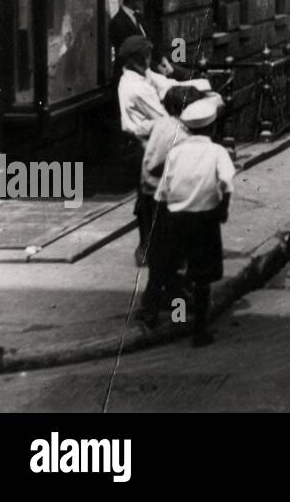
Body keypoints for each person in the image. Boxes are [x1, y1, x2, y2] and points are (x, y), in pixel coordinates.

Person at [151, 93, 235, 346]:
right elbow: (227, 183)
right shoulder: (217, 151)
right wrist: (223, 209)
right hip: (205, 220)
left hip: (176, 217)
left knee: (169, 266)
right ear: (211, 127)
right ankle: (199, 330)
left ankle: (166, 318)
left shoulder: (176, 153)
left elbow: (162, 191)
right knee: (202, 276)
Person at [117, 36, 189, 267]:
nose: (150, 60)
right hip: (141, 145)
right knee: (149, 198)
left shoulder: (140, 75)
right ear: (136, 60)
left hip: (148, 141)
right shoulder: (135, 87)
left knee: (149, 196)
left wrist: (182, 85)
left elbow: (163, 83)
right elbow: (162, 116)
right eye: (146, 57)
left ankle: (151, 247)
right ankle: (146, 248)